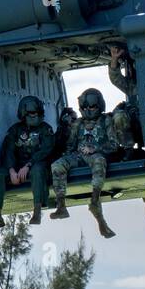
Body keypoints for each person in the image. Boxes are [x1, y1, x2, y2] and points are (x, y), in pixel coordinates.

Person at [50, 88, 118, 238]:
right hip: (79, 156)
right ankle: (61, 206)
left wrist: (95, 148)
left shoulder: (106, 120)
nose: (88, 110)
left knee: (99, 162)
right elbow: (70, 145)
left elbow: (113, 145)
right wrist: (68, 158)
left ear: (100, 106)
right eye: (85, 107)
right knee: (57, 165)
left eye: (92, 107)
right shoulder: (78, 124)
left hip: (97, 155)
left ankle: (95, 200)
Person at [0, 96, 56, 230]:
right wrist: (11, 169)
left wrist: (28, 165)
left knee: (38, 170)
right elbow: (8, 150)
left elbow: (46, 150)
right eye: (30, 113)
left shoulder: (46, 129)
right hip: (17, 167)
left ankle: (37, 212)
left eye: (36, 113)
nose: (34, 116)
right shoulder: (15, 130)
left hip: (37, 164)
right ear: (24, 114)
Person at [107, 44, 139, 151]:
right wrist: (114, 58)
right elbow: (115, 77)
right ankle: (128, 149)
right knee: (119, 115)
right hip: (138, 124)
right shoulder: (132, 86)